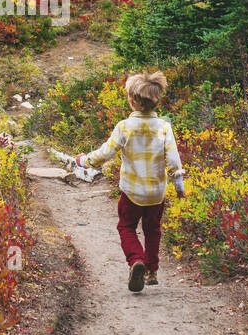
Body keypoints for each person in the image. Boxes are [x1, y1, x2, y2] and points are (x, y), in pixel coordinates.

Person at [76, 71, 186, 293]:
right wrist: (179, 185)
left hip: (132, 192)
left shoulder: (124, 126)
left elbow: (105, 154)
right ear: (156, 101)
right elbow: (174, 159)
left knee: (126, 226)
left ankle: (136, 259)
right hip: (156, 193)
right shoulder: (164, 127)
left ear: (132, 101)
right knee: (153, 229)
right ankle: (152, 271)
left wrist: (84, 161)